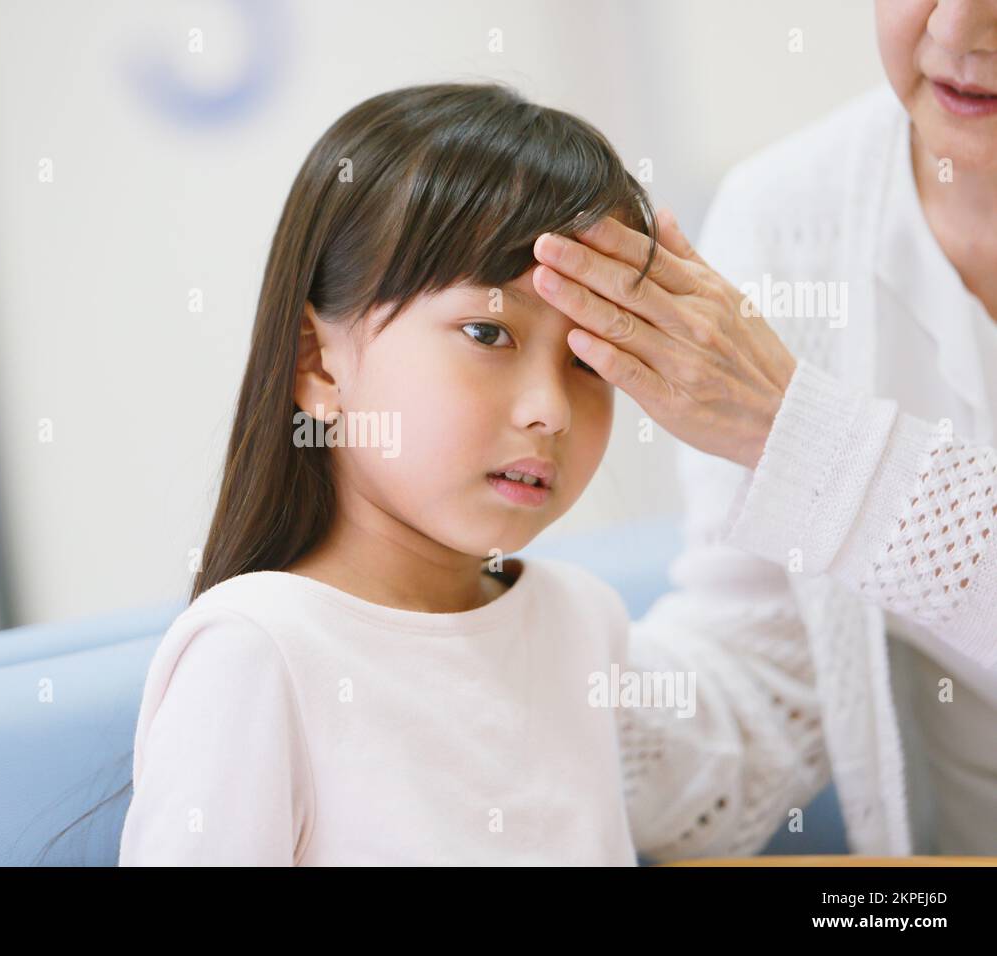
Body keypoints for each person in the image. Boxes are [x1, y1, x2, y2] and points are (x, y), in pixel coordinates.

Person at [115, 82, 827, 866]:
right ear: (317, 363)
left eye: (588, 356)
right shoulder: (255, 652)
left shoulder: (579, 622)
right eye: (488, 332)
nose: (550, 410)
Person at [530, 0, 997, 853]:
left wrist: (799, 435)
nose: (956, 32)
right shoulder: (785, 215)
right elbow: (774, 672)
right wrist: (515, 705)